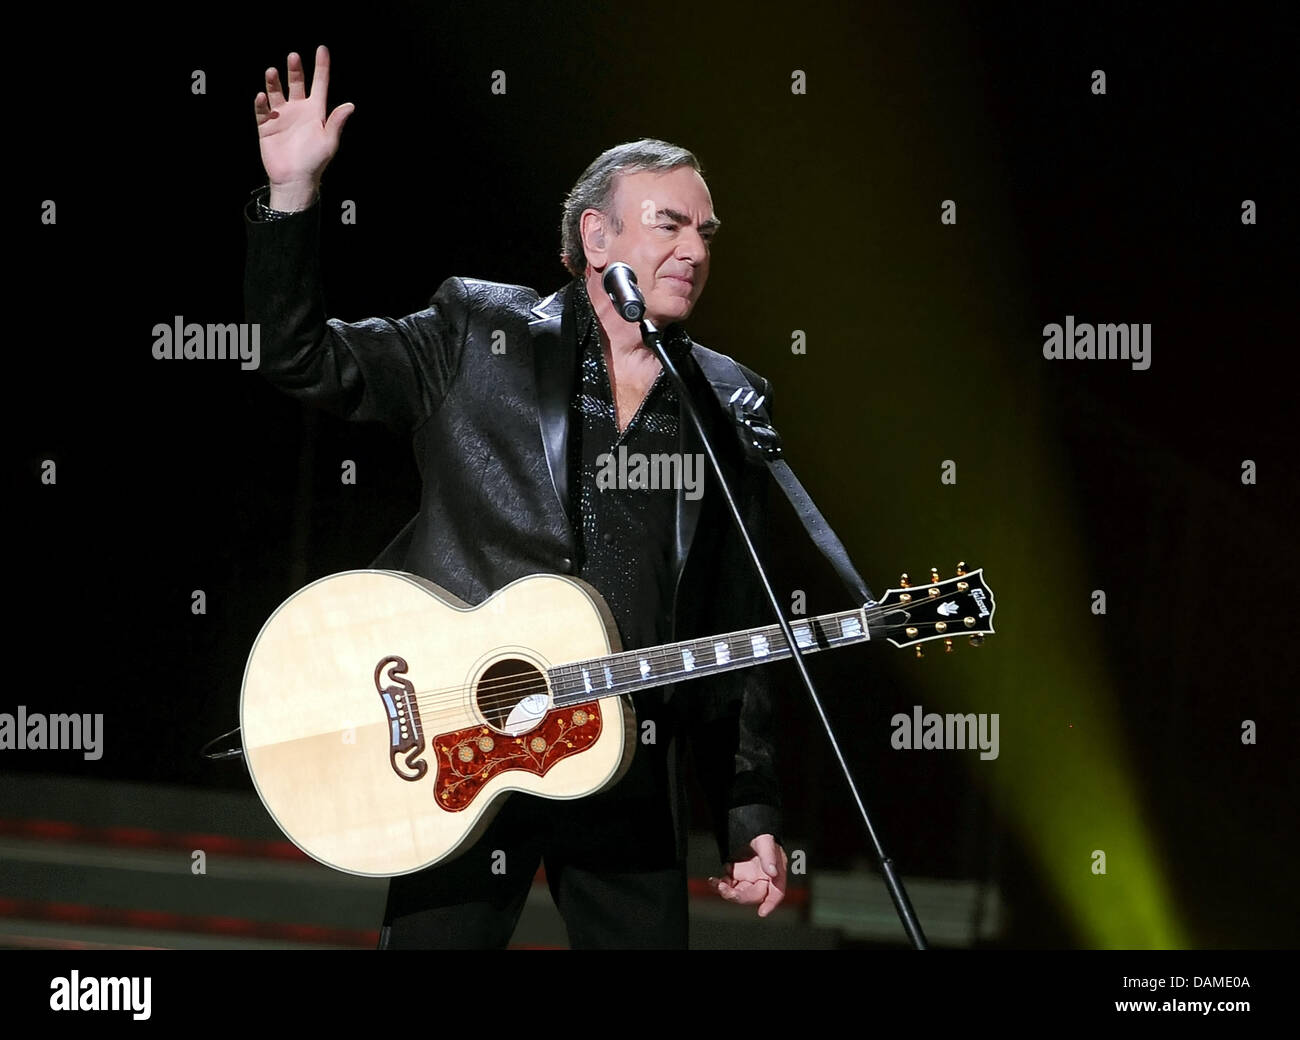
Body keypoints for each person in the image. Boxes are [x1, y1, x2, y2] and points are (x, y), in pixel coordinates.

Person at [244, 45, 788, 949]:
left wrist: (749, 810)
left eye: (705, 232)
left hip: (625, 762)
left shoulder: (729, 403)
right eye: (668, 225)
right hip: (461, 739)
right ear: (596, 237)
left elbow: (739, 624)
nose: (693, 249)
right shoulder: (477, 331)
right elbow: (304, 358)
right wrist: (292, 197)